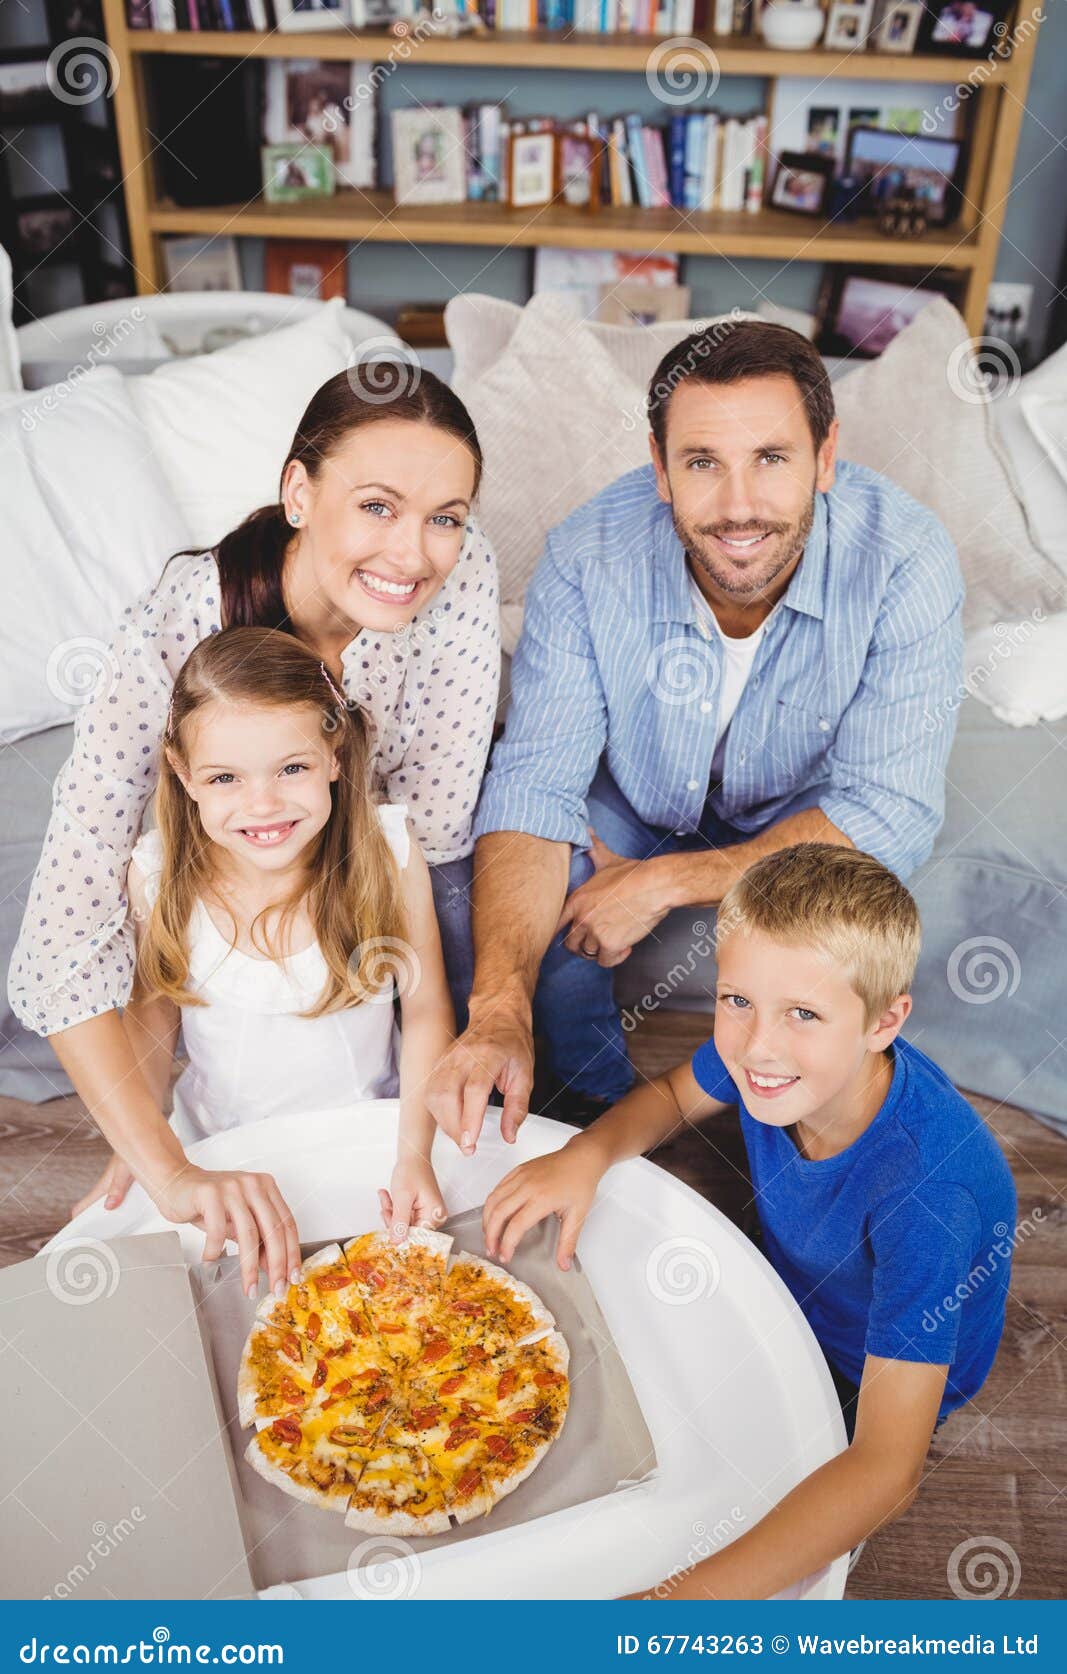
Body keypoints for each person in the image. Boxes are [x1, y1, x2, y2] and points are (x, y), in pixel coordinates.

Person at [9, 363, 498, 1287]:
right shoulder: (176, 628)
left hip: (366, 868)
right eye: (378, 507)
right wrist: (154, 1152)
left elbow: (430, 825)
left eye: (444, 516)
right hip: (227, 887)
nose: (413, 555)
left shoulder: (460, 568)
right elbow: (66, 943)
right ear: (298, 493)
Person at [426, 319, 963, 1148]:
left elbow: (887, 813)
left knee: (827, 931)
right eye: (702, 462)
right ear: (660, 468)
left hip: (806, 806)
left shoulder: (906, 561)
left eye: (771, 459)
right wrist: (499, 1008)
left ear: (824, 458)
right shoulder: (584, 554)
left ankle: (777, 1147)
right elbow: (535, 781)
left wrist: (660, 883)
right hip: (638, 793)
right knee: (488, 898)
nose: (738, 506)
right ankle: (587, 1123)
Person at [482, 843, 1016, 1598]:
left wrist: (669, 1608)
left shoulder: (928, 1194)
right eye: (735, 1001)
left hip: (868, 1374)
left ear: (883, 1021)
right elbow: (670, 1097)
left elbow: (886, 1470)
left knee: (729, 1517)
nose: (756, 1047)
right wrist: (588, 1154)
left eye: (802, 1013)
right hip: (782, 1290)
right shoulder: (770, 1059)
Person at [71, 628, 454, 1297]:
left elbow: (426, 1013)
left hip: (370, 1139)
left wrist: (413, 1153)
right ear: (184, 775)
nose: (263, 804)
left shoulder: (389, 853)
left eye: (292, 768)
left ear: (335, 756)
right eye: (225, 778)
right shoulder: (159, 876)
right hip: (218, 1148)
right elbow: (155, 1022)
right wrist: (137, 1146)